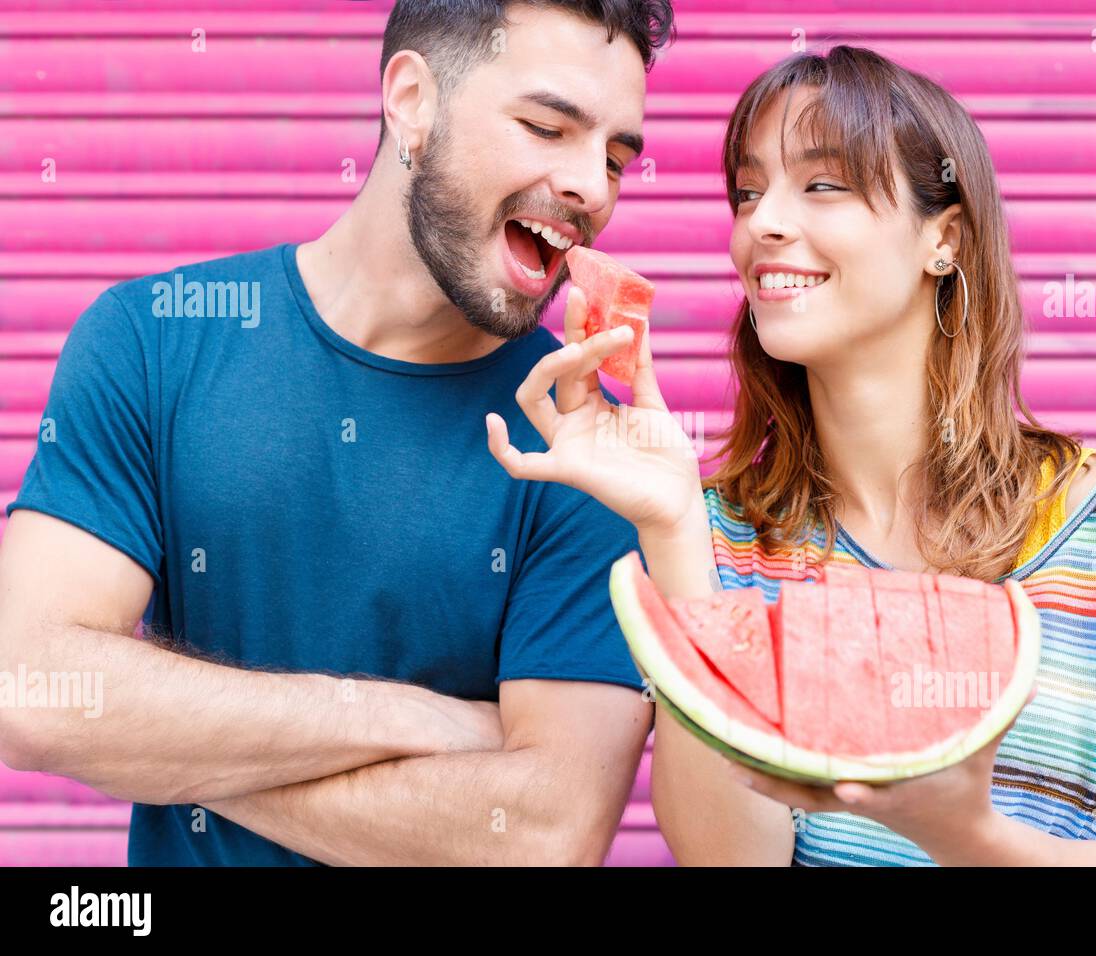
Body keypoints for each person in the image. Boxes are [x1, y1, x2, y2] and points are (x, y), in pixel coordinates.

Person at [486, 45, 1096, 866]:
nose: (762, 225)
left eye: (822, 184)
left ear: (945, 237)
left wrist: (967, 837)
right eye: (748, 193)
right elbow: (734, 861)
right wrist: (679, 533)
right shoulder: (720, 539)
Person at [0, 0, 674, 866]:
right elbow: (31, 690)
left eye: (617, 158)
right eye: (548, 127)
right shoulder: (153, 339)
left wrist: (164, 740)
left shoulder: (582, 442)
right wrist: (399, 716)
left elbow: (543, 835)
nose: (592, 187)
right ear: (410, 101)